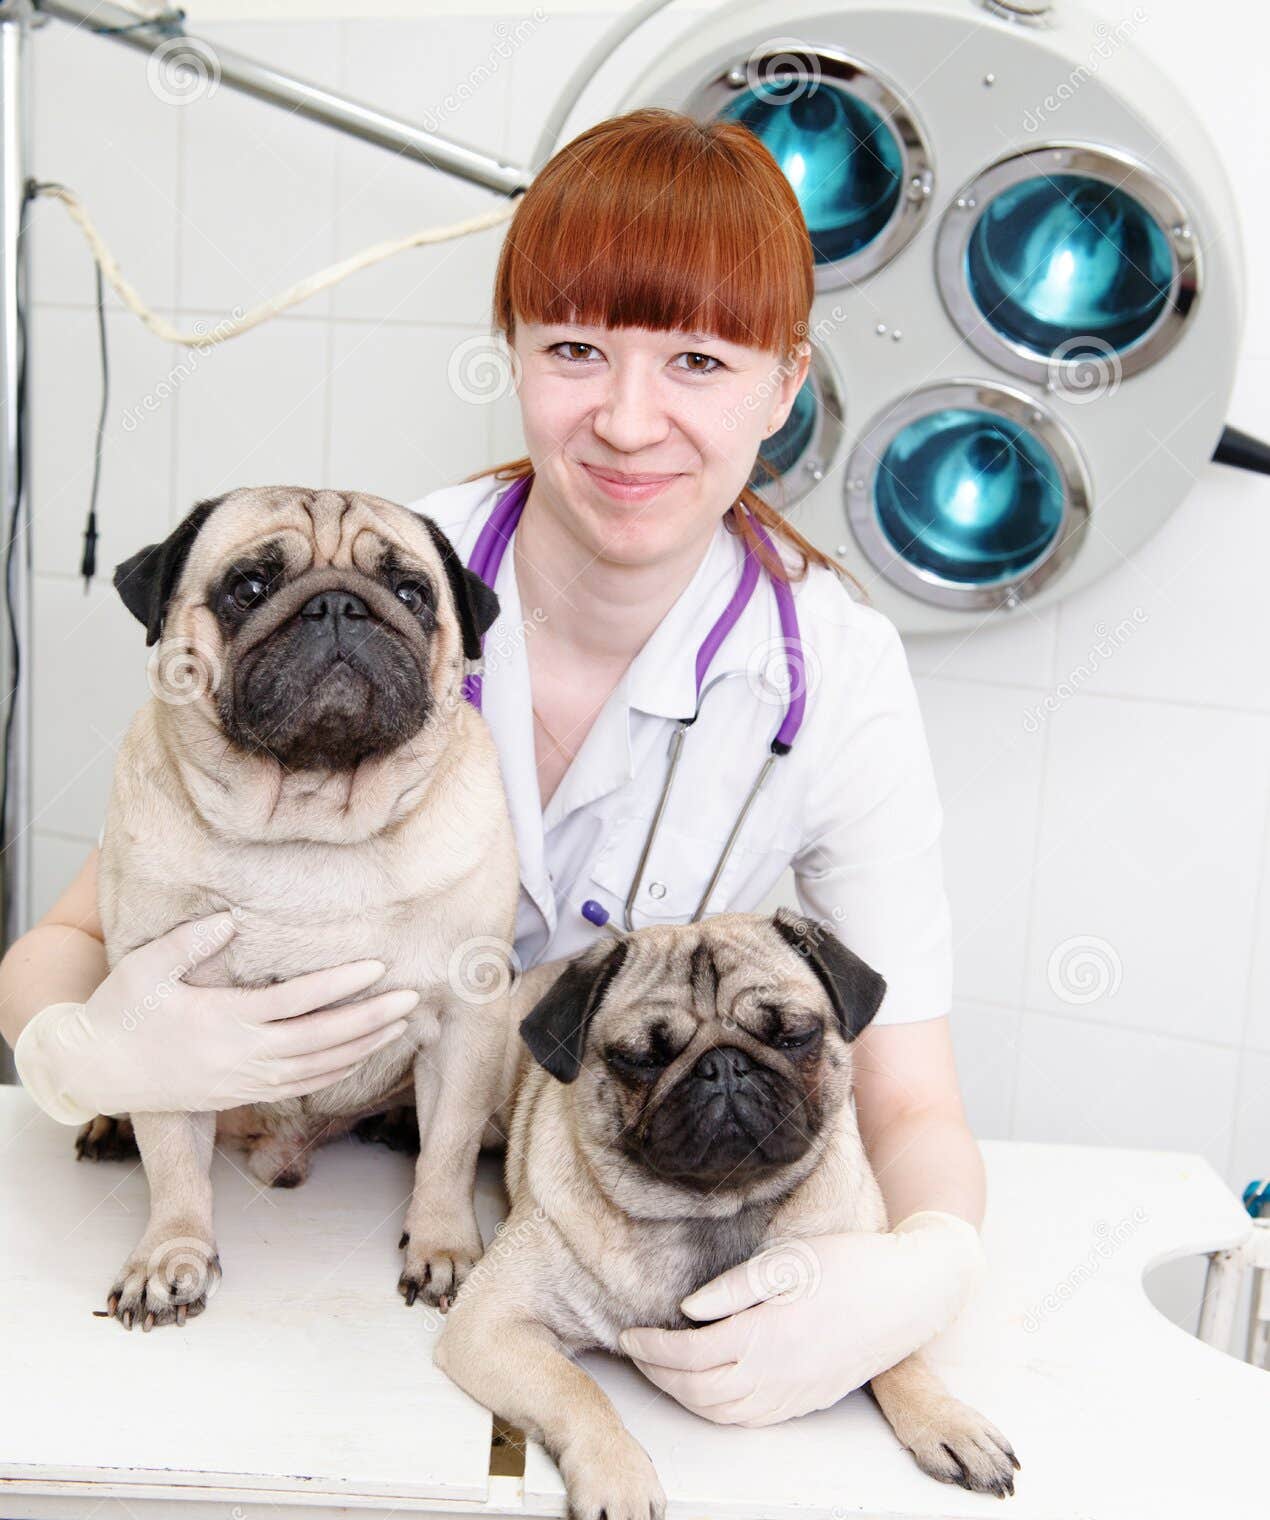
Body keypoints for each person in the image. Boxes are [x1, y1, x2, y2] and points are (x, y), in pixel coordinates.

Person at [0, 109, 986, 1428]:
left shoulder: (836, 674)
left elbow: (910, 1092)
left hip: (598, 1237)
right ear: (511, 356)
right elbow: (69, 939)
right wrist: (79, 1053)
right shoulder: (392, 580)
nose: (629, 420)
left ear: (785, 382)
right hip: (314, 1225)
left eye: (696, 359)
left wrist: (921, 1271)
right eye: (574, 348)